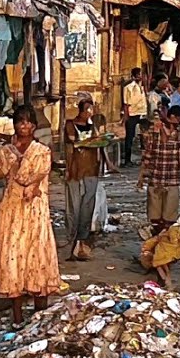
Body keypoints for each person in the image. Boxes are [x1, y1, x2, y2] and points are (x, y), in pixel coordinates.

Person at [0, 105, 61, 325]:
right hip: (11, 209)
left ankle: (40, 314)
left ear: (34, 126)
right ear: (15, 124)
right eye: (21, 122)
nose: (25, 126)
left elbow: (34, 176)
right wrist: (6, 164)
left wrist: (18, 164)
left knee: (37, 254)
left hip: (35, 209)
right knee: (12, 256)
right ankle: (17, 317)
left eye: (29, 122)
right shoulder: (5, 151)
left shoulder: (42, 151)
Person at [63, 98, 102, 260]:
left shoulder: (93, 127)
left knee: (88, 204)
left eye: (91, 109)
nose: (89, 112)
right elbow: (73, 143)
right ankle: (71, 238)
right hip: (74, 168)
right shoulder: (70, 125)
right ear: (81, 109)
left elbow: (99, 145)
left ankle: (83, 238)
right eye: (87, 109)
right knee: (74, 206)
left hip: (91, 168)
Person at [139, 105, 180, 235]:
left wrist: (170, 126)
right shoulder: (155, 129)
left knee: (170, 217)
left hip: (172, 176)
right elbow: (148, 151)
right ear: (173, 117)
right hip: (156, 176)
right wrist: (142, 175)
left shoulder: (178, 131)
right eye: (178, 119)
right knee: (155, 217)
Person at [121, 68, 148, 166]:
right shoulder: (128, 87)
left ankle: (144, 158)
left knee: (144, 136)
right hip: (132, 114)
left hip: (141, 113)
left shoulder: (141, 87)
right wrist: (126, 116)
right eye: (139, 75)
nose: (141, 77)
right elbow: (126, 104)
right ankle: (127, 160)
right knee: (130, 137)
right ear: (134, 76)